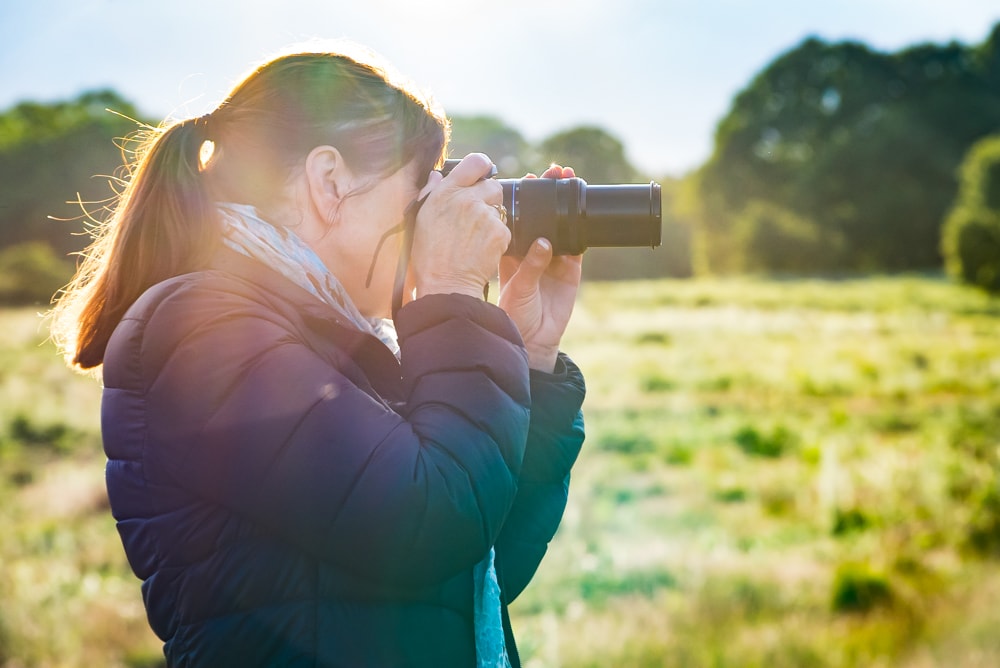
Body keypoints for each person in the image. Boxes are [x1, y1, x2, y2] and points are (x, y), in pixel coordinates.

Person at [51, 42, 585, 667]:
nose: (429, 218)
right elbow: (432, 525)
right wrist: (454, 296)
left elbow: (472, 569)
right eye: (420, 191)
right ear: (329, 182)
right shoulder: (201, 328)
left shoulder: (337, 340)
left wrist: (531, 360)